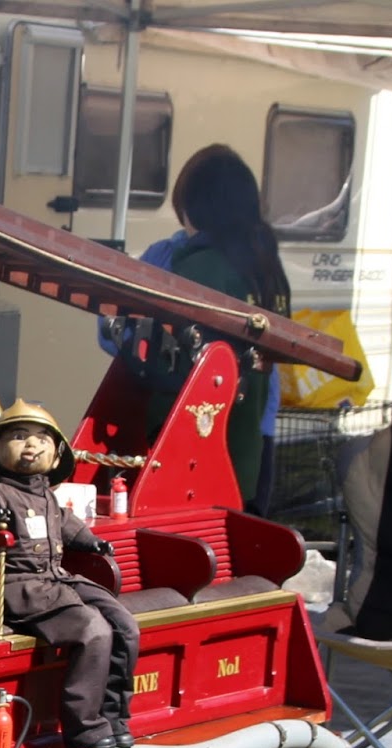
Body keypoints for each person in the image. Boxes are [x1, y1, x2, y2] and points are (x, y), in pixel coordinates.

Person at [101, 144, 286, 510]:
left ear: (194, 206)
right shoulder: (264, 265)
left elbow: (159, 357)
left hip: (193, 451)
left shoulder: (203, 269)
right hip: (247, 445)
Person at [0, 400, 139, 748]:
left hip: (58, 579)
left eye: (42, 439)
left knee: (124, 625)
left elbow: (70, 526)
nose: (32, 445)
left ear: (56, 455)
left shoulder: (49, 499)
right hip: (23, 587)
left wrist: (93, 542)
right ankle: (84, 726)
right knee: (93, 630)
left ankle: (115, 716)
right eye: (19, 436)